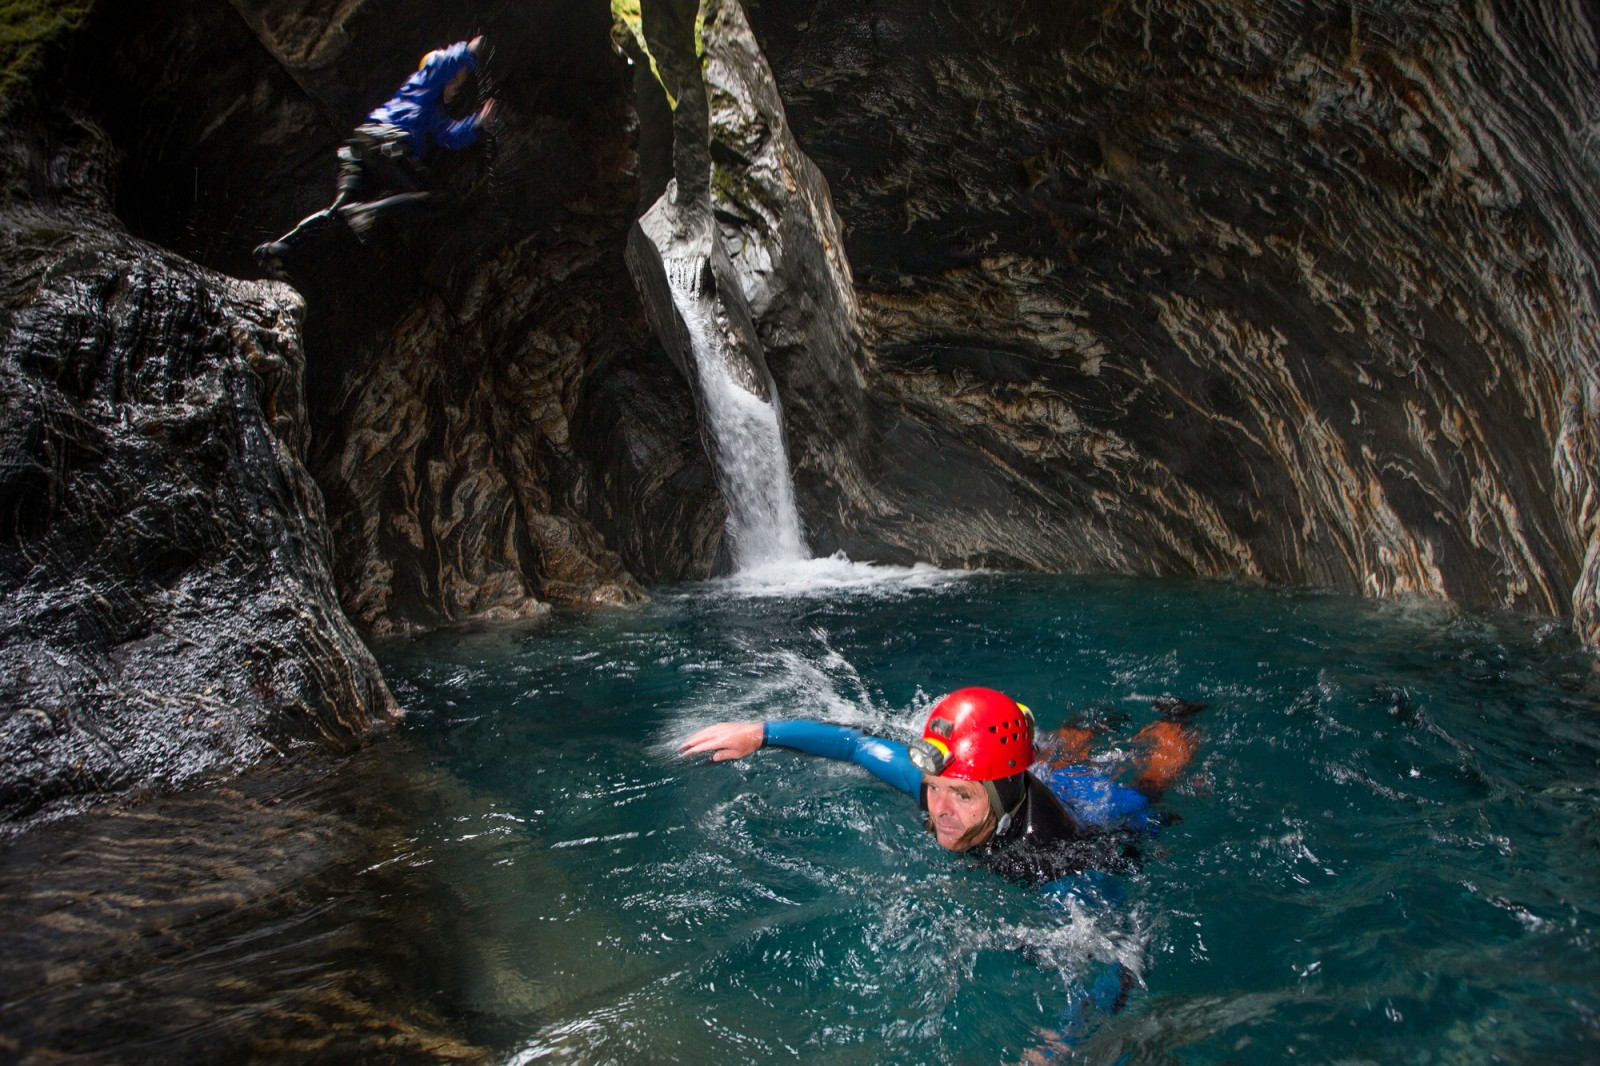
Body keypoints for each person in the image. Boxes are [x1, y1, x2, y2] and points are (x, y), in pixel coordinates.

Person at [679, 687, 1204, 1031]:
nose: (941, 811)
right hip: (1027, 776)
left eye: (962, 797)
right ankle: (1092, 721)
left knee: (1146, 788)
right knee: (1055, 754)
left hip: (1102, 810)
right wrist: (761, 733)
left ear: (999, 796)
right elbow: (855, 746)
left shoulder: (1056, 862)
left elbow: (1119, 961)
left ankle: (1177, 719)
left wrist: (1062, 1045)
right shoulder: (950, 782)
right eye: (933, 788)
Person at [254, 36, 497, 278]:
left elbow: (449, 136)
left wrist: (478, 124)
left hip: (361, 147)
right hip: (385, 144)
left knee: (338, 210)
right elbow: (443, 62)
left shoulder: (432, 112)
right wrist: (469, 53)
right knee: (432, 199)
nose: (456, 89)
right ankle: (367, 212)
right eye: (456, 82)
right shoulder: (425, 82)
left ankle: (279, 248)